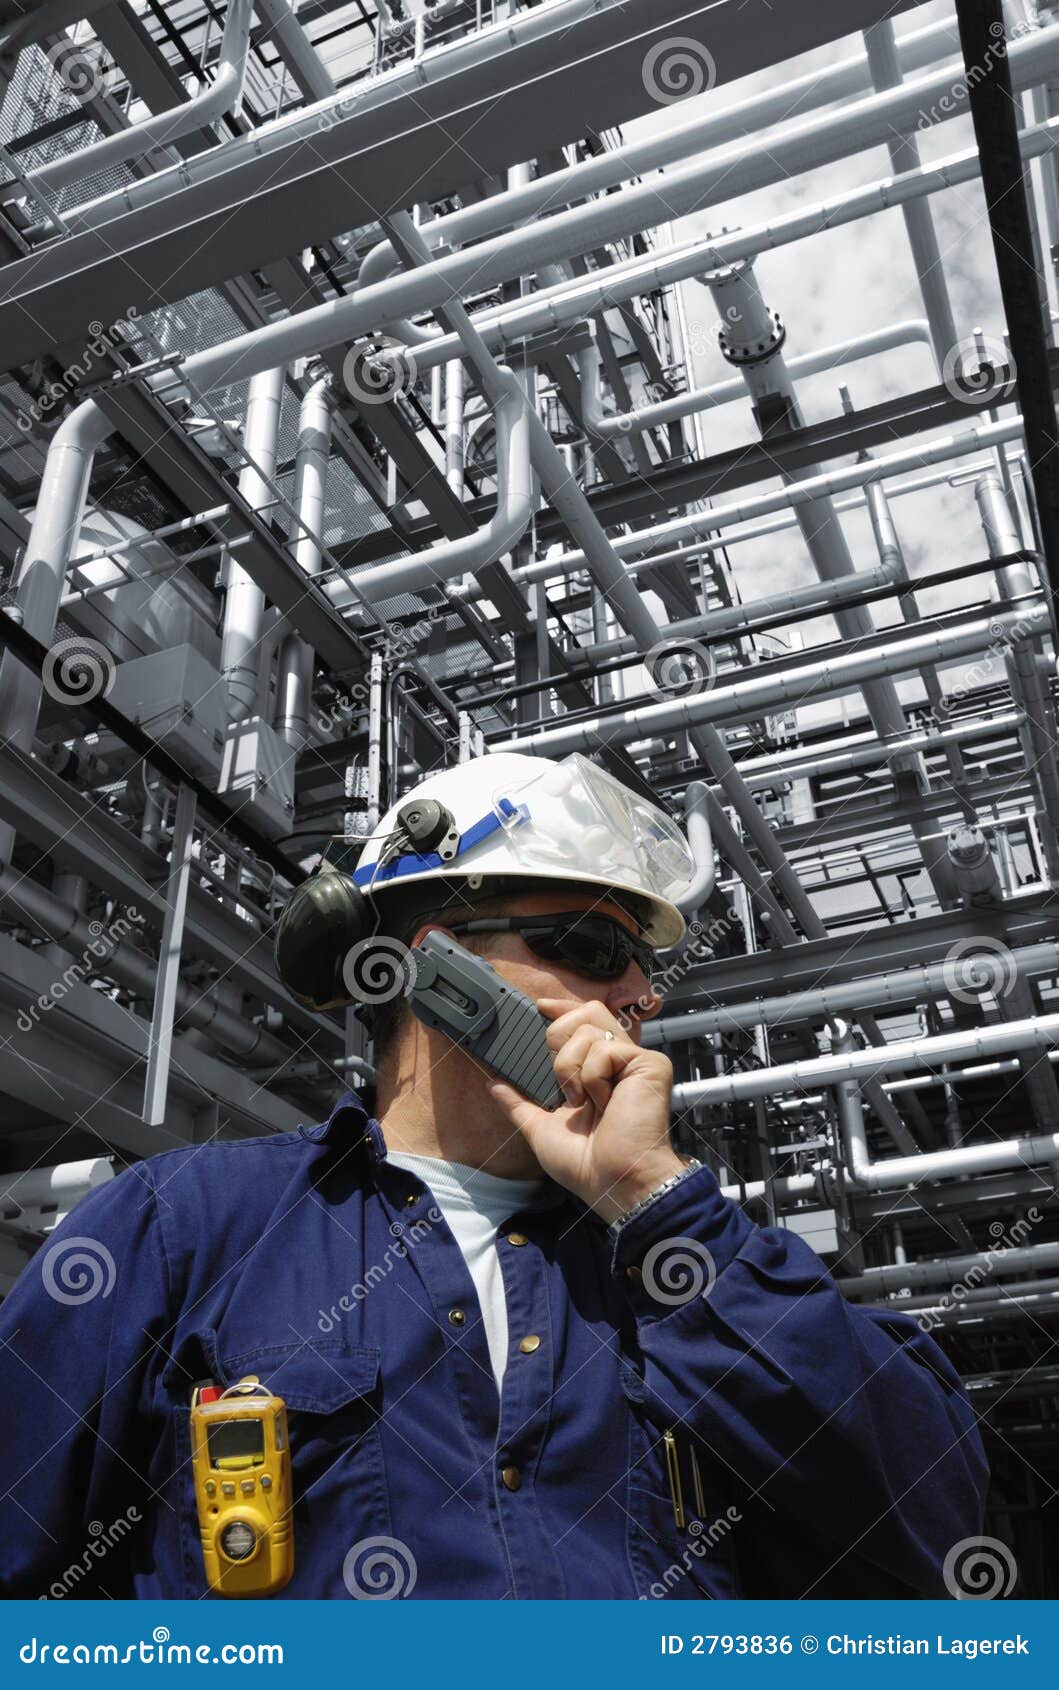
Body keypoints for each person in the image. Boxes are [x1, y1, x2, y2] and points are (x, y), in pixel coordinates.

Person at [0, 752, 987, 1599]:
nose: (640, 993)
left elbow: (938, 1535)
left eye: (640, 962)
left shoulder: (692, 1270)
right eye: (594, 945)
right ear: (439, 966)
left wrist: (657, 1206)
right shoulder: (181, 1231)